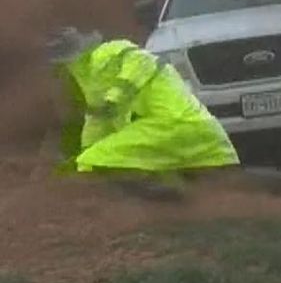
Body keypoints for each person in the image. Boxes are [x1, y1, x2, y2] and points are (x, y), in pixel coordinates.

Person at [46, 27, 239, 180]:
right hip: (202, 132)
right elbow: (98, 119)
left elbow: (141, 61)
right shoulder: (86, 76)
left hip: (170, 124)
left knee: (96, 160)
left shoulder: (107, 52)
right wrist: (84, 154)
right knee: (93, 157)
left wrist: (115, 96)